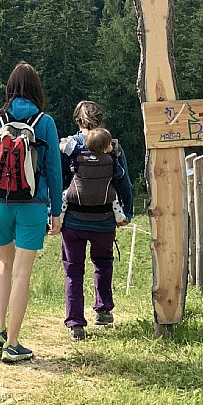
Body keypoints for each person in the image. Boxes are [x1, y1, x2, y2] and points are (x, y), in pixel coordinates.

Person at [0, 62, 63, 364]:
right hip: (33, 204)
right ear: (36, 88)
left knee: (3, 263)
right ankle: (13, 344)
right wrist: (57, 210)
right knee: (22, 272)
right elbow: (53, 170)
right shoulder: (45, 122)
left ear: (10, 88)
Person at [59, 100, 135, 341]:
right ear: (100, 119)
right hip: (104, 219)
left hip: (73, 219)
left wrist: (53, 213)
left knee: (73, 271)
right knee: (103, 262)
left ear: (77, 121)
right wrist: (127, 213)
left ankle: (76, 323)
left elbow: (59, 180)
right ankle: (103, 311)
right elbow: (124, 183)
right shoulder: (112, 147)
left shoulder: (69, 147)